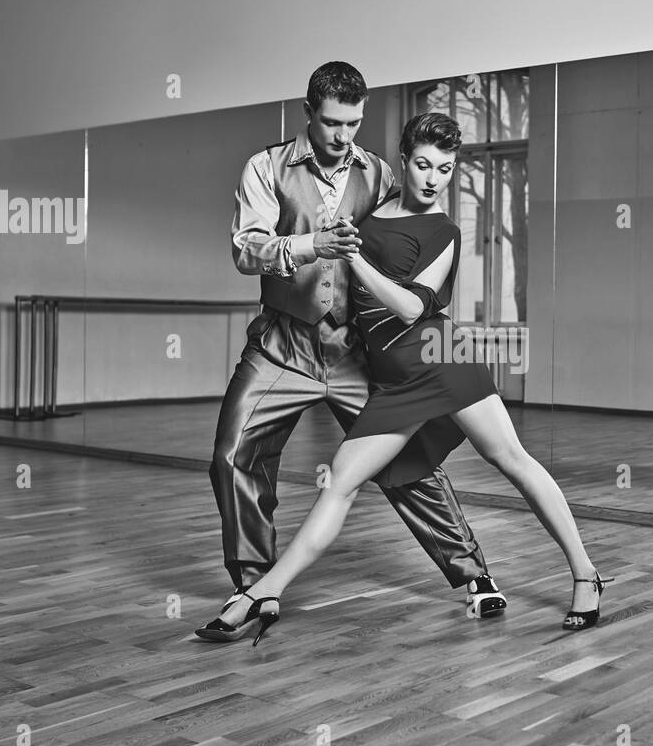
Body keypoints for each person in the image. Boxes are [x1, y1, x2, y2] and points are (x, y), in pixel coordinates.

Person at [211, 112, 613, 644]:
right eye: (424, 165)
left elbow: (407, 308)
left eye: (445, 170)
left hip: (443, 358)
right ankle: (266, 591)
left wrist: (353, 260)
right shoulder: (374, 208)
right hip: (394, 382)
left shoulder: (444, 230)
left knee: (512, 459)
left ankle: (586, 574)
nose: (432, 179)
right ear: (403, 160)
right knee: (342, 480)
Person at [197, 63, 507, 644]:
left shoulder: (383, 173)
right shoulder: (265, 168)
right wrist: (313, 243)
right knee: (232, 452)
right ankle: (256, 586)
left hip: (355, 348)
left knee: (404, 456)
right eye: (334, 123)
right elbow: (246, 251)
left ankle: (473, 575)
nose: (344, 136)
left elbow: (411, 239)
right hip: (282, 342)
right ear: (308, 113)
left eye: (355, 123)